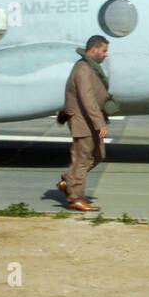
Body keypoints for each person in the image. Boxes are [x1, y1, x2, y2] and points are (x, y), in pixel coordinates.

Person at [57, 35, 116, 212]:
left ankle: (69, 181)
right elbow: (87, 98)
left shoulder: (90, 67)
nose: (106, 54)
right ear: (95, 49)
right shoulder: (83, 68)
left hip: (89, 120)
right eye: (104, 50)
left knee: (98, 155)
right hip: (83, 121)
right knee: (82, 159)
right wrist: (100, 123)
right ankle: (75, 197)